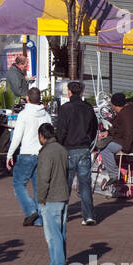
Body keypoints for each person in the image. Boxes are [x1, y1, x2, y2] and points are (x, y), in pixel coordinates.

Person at [4, 87, 52, 226]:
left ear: (27, 99)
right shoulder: (46, 115)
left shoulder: (24, 114)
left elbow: (17, 136)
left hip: (27, 153)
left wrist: (9, 154)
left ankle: (31, 211)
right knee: (38, 187)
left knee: (18, 184)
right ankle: (39, 219)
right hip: (42, 153)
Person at [54, 81, 98, 226]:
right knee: (85, 184)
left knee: (65, 184)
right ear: (82, 93)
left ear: (69, 92)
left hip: (69, 149)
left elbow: (61, 129)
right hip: (84, 149)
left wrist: (59, 144)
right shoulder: (88, 108)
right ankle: (89, 215)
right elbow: (94, 129)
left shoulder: (65, 108)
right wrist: (88, 142)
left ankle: (63, 215)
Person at [35, 123, 70, 265]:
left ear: (42, 136)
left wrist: (41, 198)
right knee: (60, 233)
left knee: (53, 235)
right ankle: (59, 264)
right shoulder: (62, 149)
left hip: (51, 197)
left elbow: (43, 178)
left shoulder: (46, 152)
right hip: (63, 194)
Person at [98, 93, 133, 193]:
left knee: (105, 148)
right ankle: (114, 175)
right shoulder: (126, 112)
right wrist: (108, 132)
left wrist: (126, 148)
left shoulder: (127, 114)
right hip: (125, 141)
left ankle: (114, 175)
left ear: (115, 105)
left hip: (131, 144)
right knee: (103, 144)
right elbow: (119, 128)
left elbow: (129, 133)